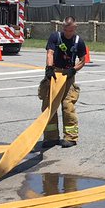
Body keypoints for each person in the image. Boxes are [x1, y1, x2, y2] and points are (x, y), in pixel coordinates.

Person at [39, 17, 86, 148]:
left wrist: (73, 70)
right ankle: (51, 137)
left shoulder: (78, 41)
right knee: (49, 105)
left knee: (68, 105)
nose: (68, 33)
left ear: (75, 28)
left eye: (71, 30)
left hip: (68, 75)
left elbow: (83, 60)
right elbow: (50, 53)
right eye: (66, 29)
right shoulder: (55, 37)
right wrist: (49, 68)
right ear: (63, 28)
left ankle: (70, 137)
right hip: (54, 74)